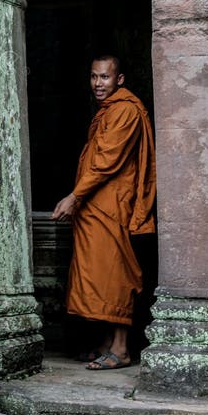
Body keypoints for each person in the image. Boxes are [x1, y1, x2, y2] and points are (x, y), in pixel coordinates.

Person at [52, 55, 156, 370]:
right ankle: (108, 343)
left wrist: (74, 196)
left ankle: (122, 348)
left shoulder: (124, 110)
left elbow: (106, 162)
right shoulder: (109, 111)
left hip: (113, 206)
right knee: (102, 276)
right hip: (97, 207)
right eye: (94, 77)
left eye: (105, 77)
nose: (99, 83)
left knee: (117, 275)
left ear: (119, 79)